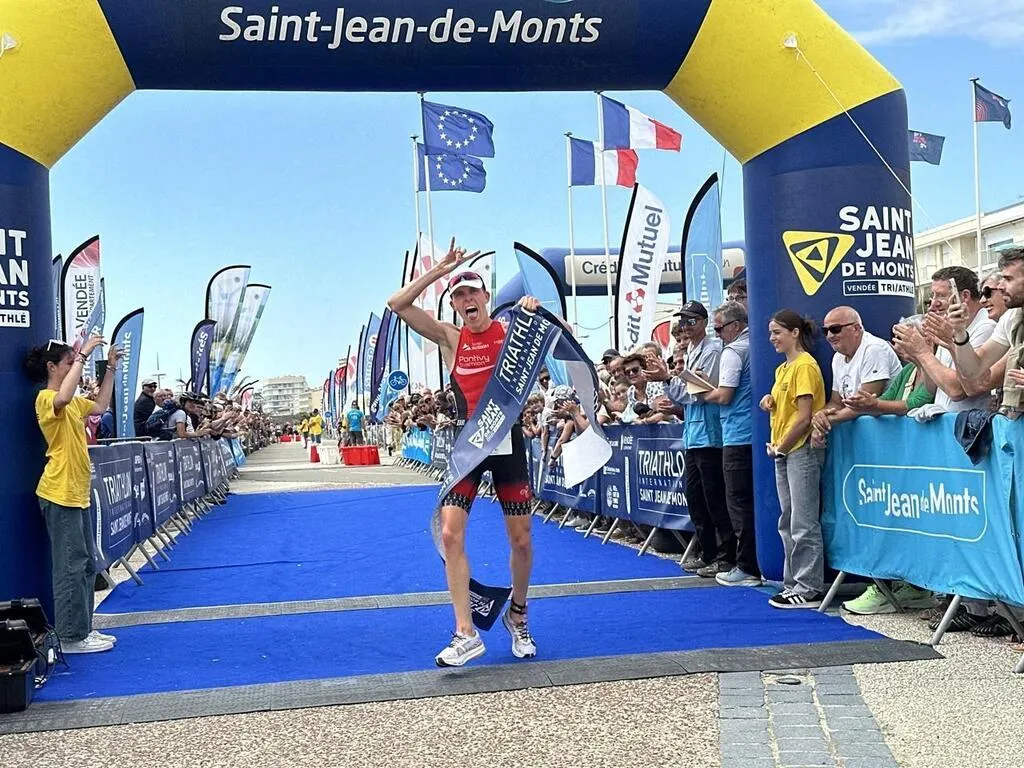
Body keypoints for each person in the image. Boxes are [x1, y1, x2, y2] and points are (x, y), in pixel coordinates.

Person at [388, 238, 539, 667]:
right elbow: (398, 304)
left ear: (487, 297)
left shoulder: (511, 331)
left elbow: (554, 333)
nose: (467, 299)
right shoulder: (450, 337)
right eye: (459, 295)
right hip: (469, 444)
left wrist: (532, 308)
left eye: (472, 291)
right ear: (453, 305)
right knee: (451, 534)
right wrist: (438, 272)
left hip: (507, 443)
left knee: (521, 540)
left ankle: (519, 615)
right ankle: (465, 631)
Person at [25, 336, 123, 653]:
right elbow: (63, 398)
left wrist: (110, 368)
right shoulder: (45, 399)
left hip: (77, 493)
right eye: (69, 364)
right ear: (52, 367)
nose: (75, 369)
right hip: (59, 492)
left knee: (83, 566)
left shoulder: (73, 402)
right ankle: (70, 636)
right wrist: (83, 354)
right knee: (69, 567)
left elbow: (100, 406)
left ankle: (83, 629)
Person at [653, 301, 736, 578]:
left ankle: (725, 557)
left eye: (691, 321)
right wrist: (672, 382)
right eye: (683, 322)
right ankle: (707, 552)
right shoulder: (692, 351)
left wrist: (671, 379)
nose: (686, 327)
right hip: (694, 433)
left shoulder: (712, 349)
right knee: (696, 499)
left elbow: (699, 392)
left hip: (710, 433)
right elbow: (687, 392)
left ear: (703, 322)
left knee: (714, 499)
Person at [760, 310, 827, 609]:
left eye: (777, 332)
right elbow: (789, 409)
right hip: (785, 450)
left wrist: (781, 446)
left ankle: (808, 585)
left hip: (799, 450)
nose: (772, 338)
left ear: (795, 333)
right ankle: (793, 582)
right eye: (771, 332)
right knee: (788, 519)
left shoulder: (805, 366)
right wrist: (770, 402)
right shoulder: (783, 369)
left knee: (803, 520)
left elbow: (804, 418)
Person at [699, 301, 760, 586]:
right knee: (746, 502)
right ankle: (750, 563)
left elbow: (724, 396)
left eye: (720, 328)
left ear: (736, 326)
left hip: (737, 434)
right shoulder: (753, 346)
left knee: (738, 503)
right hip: (751, 432)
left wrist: (701, 391)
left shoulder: (734, 351)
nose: (717, 333)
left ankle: (746, 566)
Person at [811, 305, 902, 443]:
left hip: (892, 433)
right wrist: (821, 416)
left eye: (835, 329)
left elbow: (865, 404)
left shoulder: (874, 349)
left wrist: (828, 420)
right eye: (825, 331)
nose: (829, 336)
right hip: (867, 438)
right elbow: (836, 402)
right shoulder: (837, 358)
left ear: (856, 329)